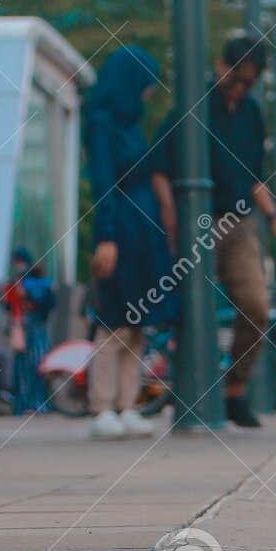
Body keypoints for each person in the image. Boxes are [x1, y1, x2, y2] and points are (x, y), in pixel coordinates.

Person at [154, 34, 276, 429]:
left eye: (248, 82)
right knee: (191, 307)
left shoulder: (251, 114)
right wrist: (169, 216)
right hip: (197, 220)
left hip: (240, 222)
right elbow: (160, 166)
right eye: (235, 78)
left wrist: (275, 219)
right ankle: (183, 387)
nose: (238, 88)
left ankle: (234, 390)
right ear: (221, 66)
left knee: (254, 304)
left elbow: (254, 177)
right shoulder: (195, 103)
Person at [84, 46, 177, 439]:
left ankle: (126, 404)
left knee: (136, 323)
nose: (149, 92)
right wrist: (106, 236)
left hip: (141, 231)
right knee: (114, 321)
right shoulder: (102, 123)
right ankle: (102, 406)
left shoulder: (129, 124)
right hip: (120, 226)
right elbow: (102, 182)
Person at [5, 248, 55, 415]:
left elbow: (46, 304)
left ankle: (37, 404)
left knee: (36, 367)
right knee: (23, 369)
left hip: (35, 332)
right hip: (24, 333)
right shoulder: (16, 282)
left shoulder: (38, 284)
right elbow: (8, 305)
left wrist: (25, 294)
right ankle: (24, 404)